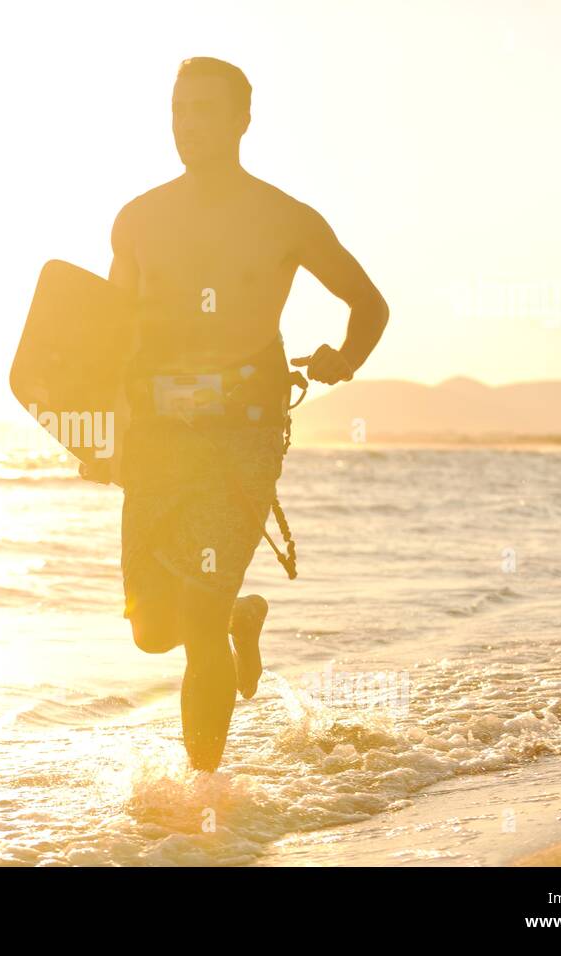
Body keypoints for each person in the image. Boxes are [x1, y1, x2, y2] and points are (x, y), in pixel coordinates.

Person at [107, 56, 389, 772]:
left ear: (242, 119)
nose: (189, 124)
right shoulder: (137, 221)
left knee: (195, 624)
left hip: (243, 435)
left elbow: (369, 305)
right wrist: (99, 430)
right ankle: (239, 614)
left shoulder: (284, 219)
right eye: (179, 109)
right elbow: (110, 337)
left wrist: (342, 359)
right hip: (159, 439)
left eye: (205, 109)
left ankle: (205, 807)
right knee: (151, 629)